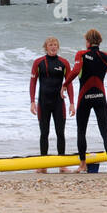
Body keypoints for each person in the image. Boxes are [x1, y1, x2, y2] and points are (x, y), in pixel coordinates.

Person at [65, 29, 107, 175]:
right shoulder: (105, 56)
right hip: (100, 97)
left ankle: (83, 164)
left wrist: (65, 84)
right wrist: (106, 70)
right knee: (105, 131)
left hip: (85, 97)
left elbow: (76, 70)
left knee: (81, 131)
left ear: (88, 42)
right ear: (99, 41)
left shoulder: (81, 54)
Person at [30, 37, 75, 167]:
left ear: (58, 47)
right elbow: (33, 82)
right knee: (44, 133)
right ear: (46, 47)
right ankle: (43, 165)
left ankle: (62, 165)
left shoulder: (63, 63)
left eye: (55, 45)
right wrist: (32, 101)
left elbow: (69, 84)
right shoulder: (38, 63)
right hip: (43, 103)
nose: (53, 47)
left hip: (58, 103)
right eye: (50, 45)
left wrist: (72, 103)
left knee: (60, 133)